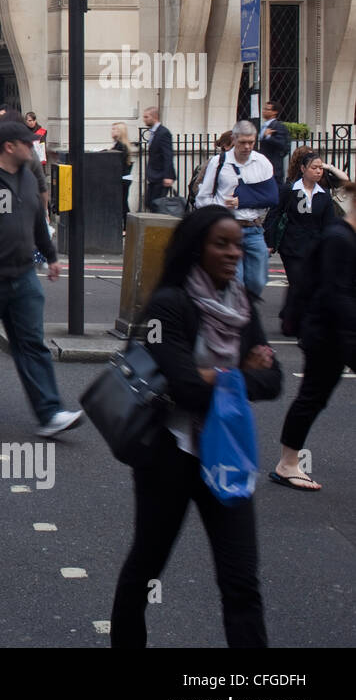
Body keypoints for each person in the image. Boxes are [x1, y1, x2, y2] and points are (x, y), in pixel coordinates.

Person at [110, 206, 281, 648]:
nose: (232, 254)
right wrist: (238, 372)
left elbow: (274, 380)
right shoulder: (169, 305)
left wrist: (217, 376)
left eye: (237, 245)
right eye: (220, 244)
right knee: (146, 567)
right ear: (196, 248)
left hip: (225, 454)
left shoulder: (242, 305)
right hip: (169, 454)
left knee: (241, 581)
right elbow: (184, 387)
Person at [0, 119, 82, 435]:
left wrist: (50, 256)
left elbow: (37, 221)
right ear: (10, 147)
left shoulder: (26, 178)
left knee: (32, 344)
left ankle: (50, 413)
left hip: (23, 277)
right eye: (28, 143)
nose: (34, 148)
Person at [272, 183, 356, 493]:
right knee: (311, 397)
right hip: (328, 334)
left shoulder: (345, 237)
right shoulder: (340, 238)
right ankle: (287, 463)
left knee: (313, 397)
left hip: (335, 332)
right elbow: (337, 295)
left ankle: (287, 462)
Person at [195, 120, 275, 299]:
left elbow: (271, 197)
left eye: (251, 142)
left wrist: (244, 201)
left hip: (254, 228)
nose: (247, 147)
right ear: (233, 139)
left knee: (258, 280)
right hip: (227, 229)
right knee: (234, 281)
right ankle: (237, 316)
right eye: (242, 142)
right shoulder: (218, 162)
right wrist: (219, 212)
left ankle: (244, 308)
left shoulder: (262, 162)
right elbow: (202, 198)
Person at [271, 149, 334, 334]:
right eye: (314, 167)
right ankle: (294, 321)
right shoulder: (290, 190)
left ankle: (291, 315)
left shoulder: (324, 195)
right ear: (303, 168)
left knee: (308, 285)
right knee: (297, 282)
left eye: (320, 168)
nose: (318, 171)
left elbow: (328, 223)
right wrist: (270, 242)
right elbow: (275, 214)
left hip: (314, 246)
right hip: (292, 245)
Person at [143, 106, 176, 210]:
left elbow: (168, 155)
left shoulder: (163, 133)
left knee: (156, 205)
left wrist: (168, 176)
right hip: (154, 176)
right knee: (149, 202)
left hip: (161, 176)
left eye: (146, 117)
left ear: (155, 117)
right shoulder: (154, 132)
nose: (144, 119)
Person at [109, 122, 136, 224]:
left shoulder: (121, 146)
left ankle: (126, 225)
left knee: (122, 202)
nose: (112, 131)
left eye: (114, 129)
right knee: (123, 202)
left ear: (120, 131)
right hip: (126, 177)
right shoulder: (120, 145)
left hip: (124, 178)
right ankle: (125, 225)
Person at [259, 101, 290, 184]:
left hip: (274, 169)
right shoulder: (263, 126)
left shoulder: (278, 126)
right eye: (264, 109)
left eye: (267, 109)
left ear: (275, 112)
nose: (264, 111)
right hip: (261, 167)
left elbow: (283, 145)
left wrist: (268, 137)